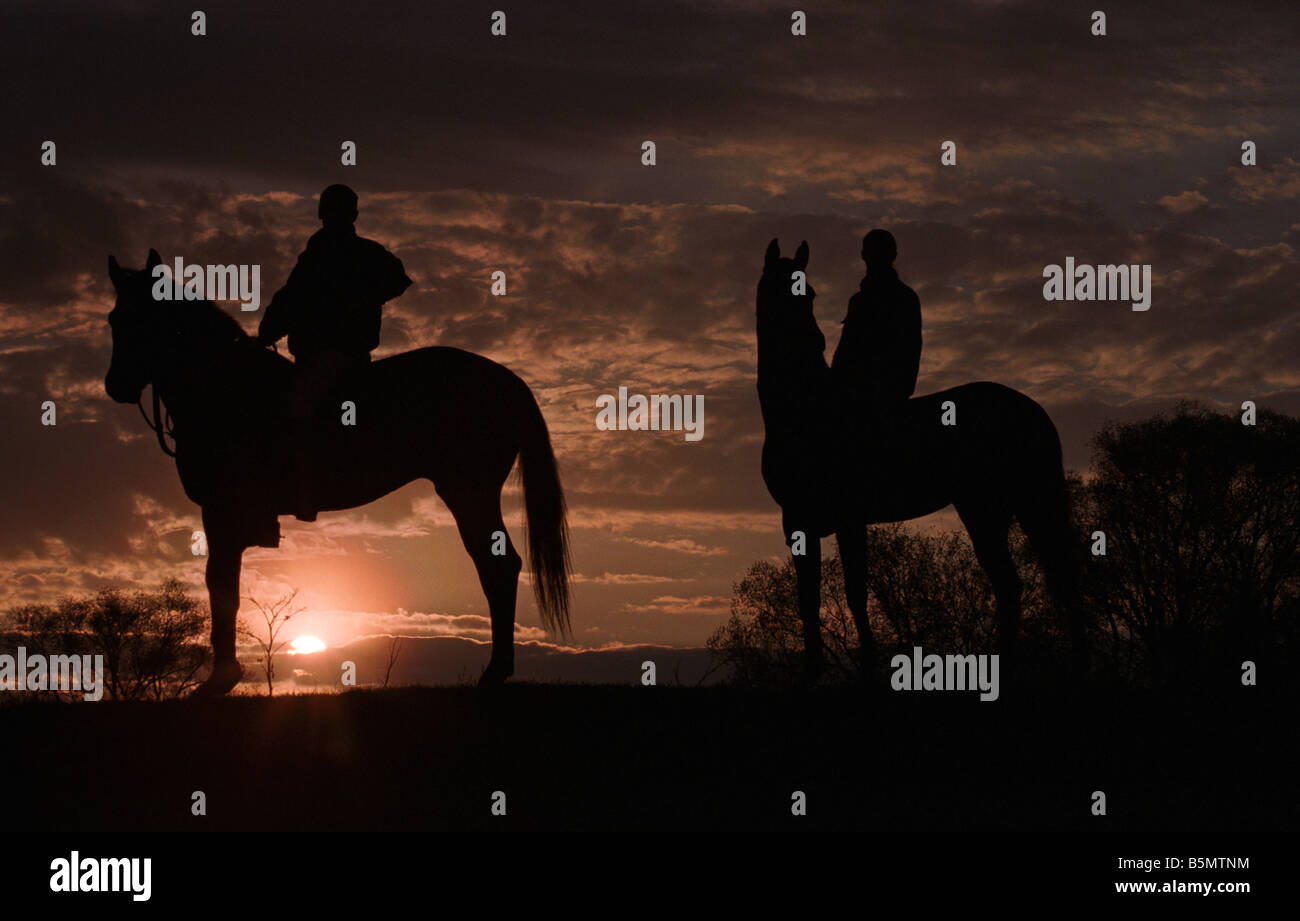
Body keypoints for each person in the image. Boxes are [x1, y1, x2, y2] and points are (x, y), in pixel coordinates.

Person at [256, 184, 412, 521]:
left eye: (338, 210)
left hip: (336, 356)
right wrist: (267, 331)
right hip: (319, 355)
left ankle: (306, 491)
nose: (334, 217)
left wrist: (359, 298)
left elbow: (397, 280)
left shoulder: (341, 255)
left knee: (298, 407)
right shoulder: (319, 255)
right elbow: (289, 301)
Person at [830, 229, 921, 445]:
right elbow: (845, 351)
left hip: (881, 393)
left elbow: (909, 349)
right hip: (862, 392)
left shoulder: (901, 298)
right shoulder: (861, 300)